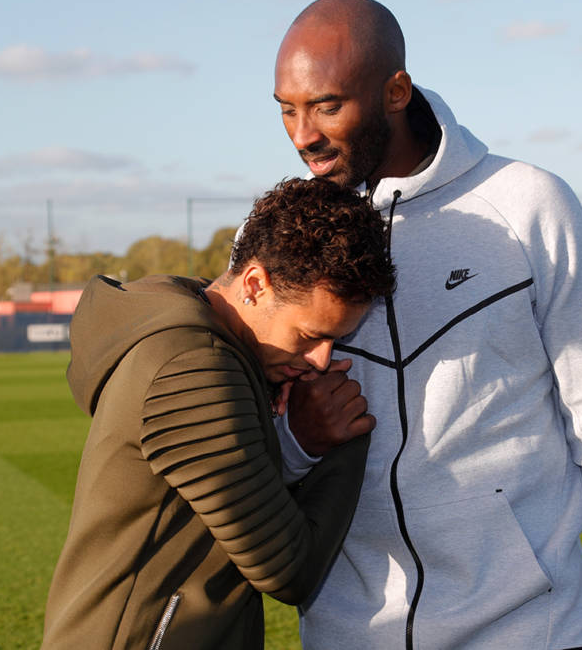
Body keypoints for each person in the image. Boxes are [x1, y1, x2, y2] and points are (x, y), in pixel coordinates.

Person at [271, 0, 582, 650]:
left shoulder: (528, 205)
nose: (303, 134)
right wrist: (298, 437)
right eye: (287, 110)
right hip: (348, 635)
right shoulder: (276, 237)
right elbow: (245, 448)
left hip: (536, 629)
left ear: (395, 91)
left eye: (326, 105)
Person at [40, 177, 396, 650]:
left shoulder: (186, 330)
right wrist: (343, 441)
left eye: (336, 341)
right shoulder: (192, 369)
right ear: (254, 284)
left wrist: (289, 433)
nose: (322, 360)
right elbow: (289, 569)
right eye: (310, 336)